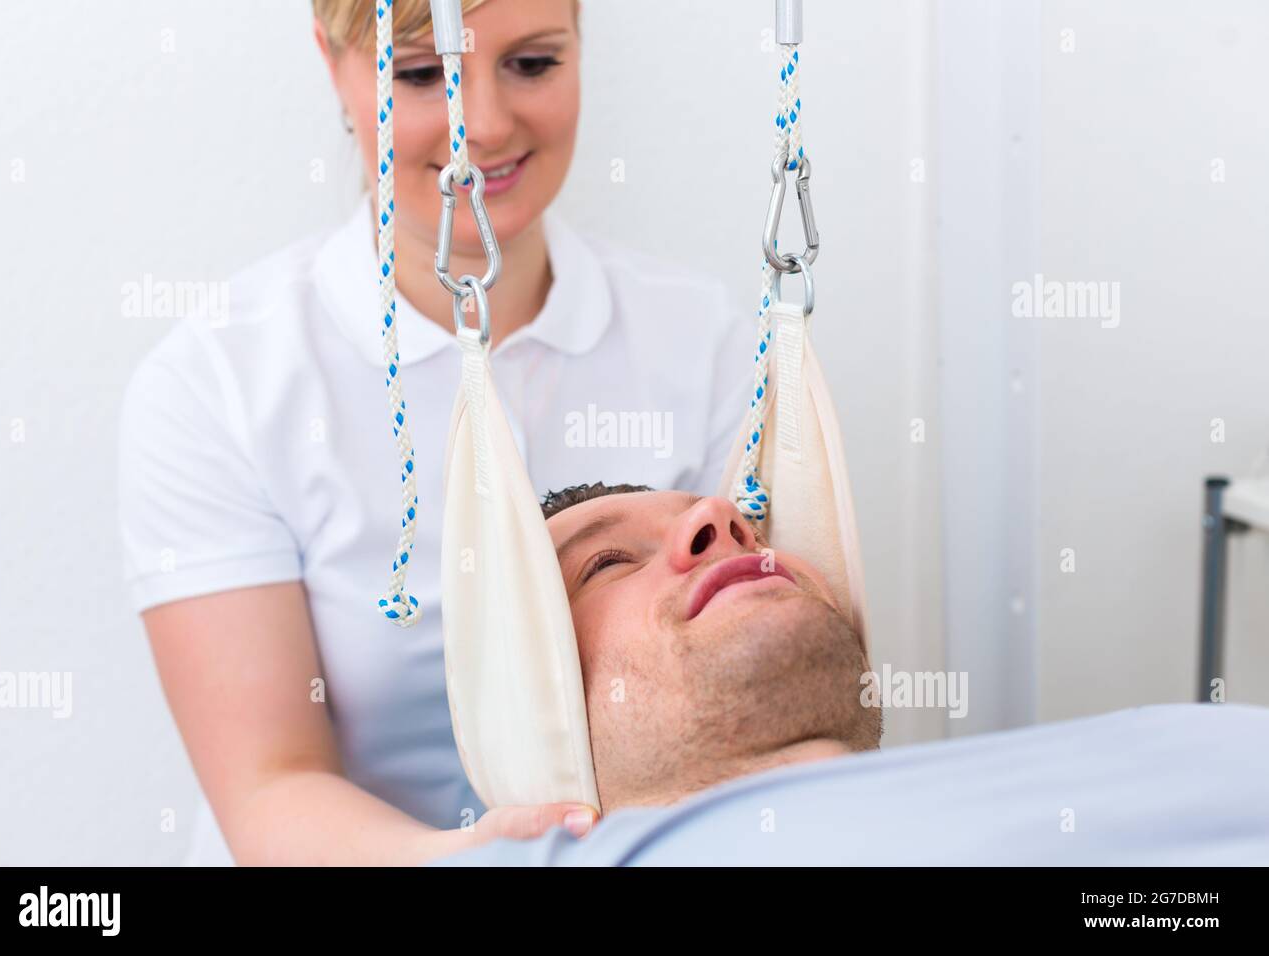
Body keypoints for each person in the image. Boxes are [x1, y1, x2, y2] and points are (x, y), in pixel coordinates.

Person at [117, 0, 753, 866]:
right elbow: (269, 788)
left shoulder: (705, 341)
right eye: (421, 74)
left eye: (533, 64)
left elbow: (756, 702)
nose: (483, 125)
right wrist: (476, 858)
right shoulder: (217, 384)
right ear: (333, 66)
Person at [441, 485, 1269, 866]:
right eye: (608, 562)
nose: (717, 521)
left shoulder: (1192, 734)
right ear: (526, 712)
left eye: (746, 523)